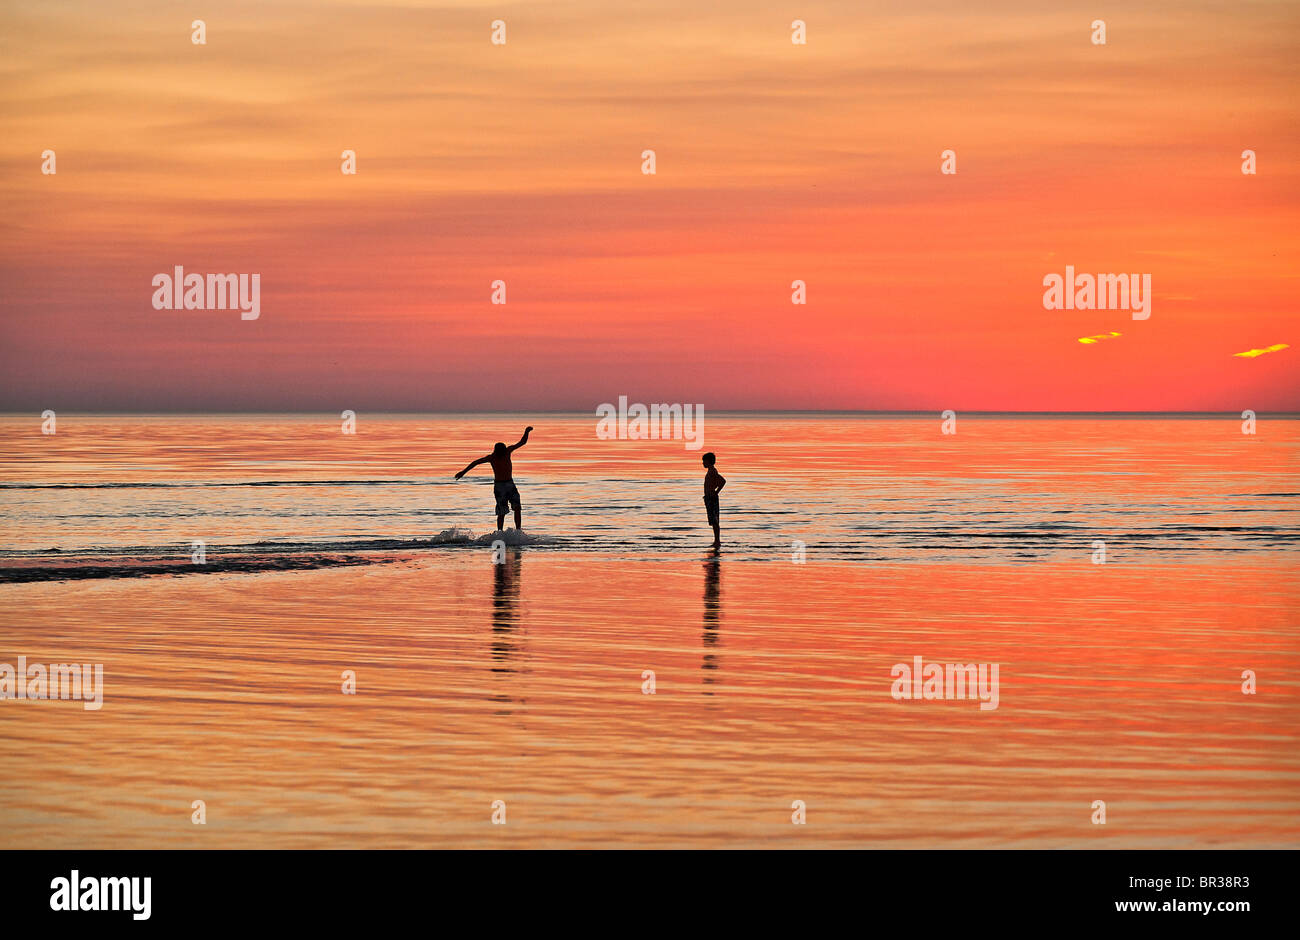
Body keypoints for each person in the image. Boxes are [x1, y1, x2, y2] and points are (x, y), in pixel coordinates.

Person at [455, 426, 532, 531]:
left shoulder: (507, 452)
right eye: (499, 452)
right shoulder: (492, 457)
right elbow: (475, 462)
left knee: (517, 508)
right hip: (500, 486)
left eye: (502, 451)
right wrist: (463, 472)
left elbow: (522, 442)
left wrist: (526, 432)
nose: (501, 454)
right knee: (502, 511)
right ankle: (500, 532)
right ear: (496, 451)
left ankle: (518, 530)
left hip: (510, 484)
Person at [701, 451, 726, 549]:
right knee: (713, 521)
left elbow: (723, 481)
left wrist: (715, 492)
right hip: (709, 498)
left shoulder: (712, 471)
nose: (703, 463)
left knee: (714, 520)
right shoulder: (711, 471)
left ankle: (717, 541)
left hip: (712, 498)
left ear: (709, 461)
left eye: (704, 461)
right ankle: (716, 541)